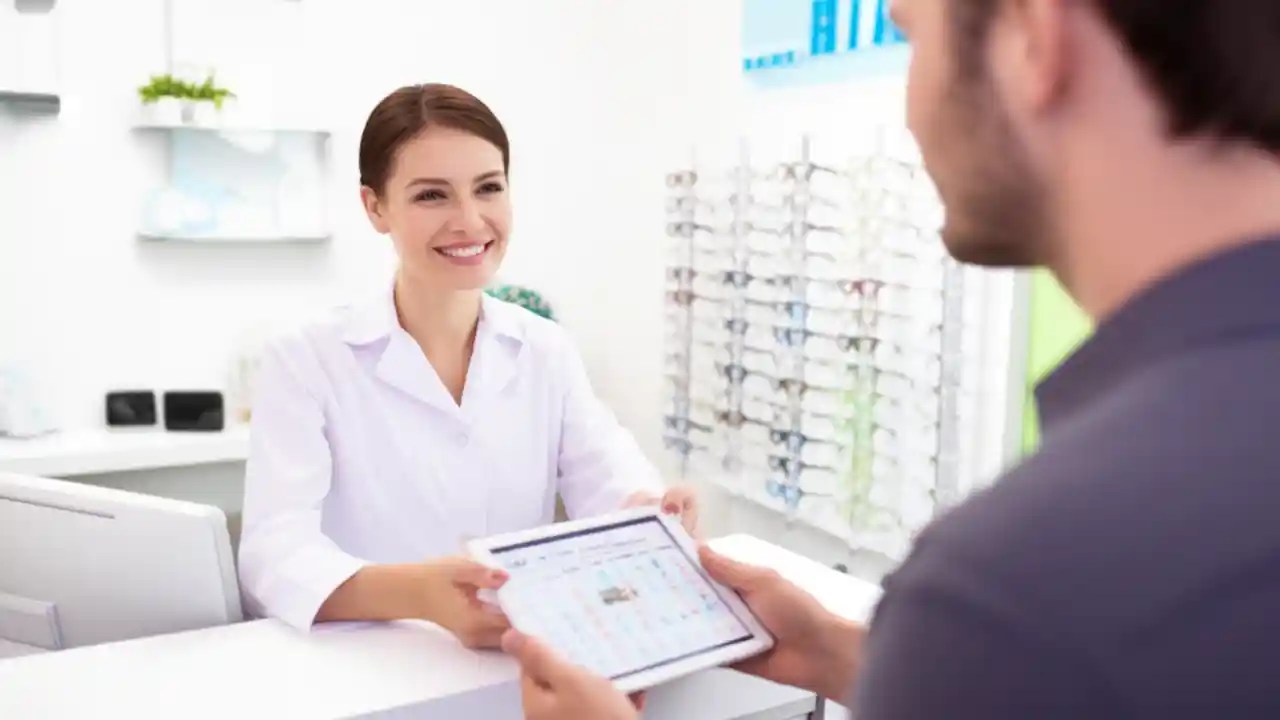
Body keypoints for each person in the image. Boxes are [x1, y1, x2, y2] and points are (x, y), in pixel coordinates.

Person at [503, 0, 1280, 716]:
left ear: (1033, 40)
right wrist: (849, 657)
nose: (910, 112)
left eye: (912, 35)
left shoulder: (1020, 585)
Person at [237, 83, 698, 648]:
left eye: (489, 188)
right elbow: (272, 553)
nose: (470, 220)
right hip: (367, 665)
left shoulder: (544, 349)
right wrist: (419, 594)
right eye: (432, 195)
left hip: (517, 664)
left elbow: (605, 473)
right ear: (375, 206)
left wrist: (652, 514)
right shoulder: (307, 358)